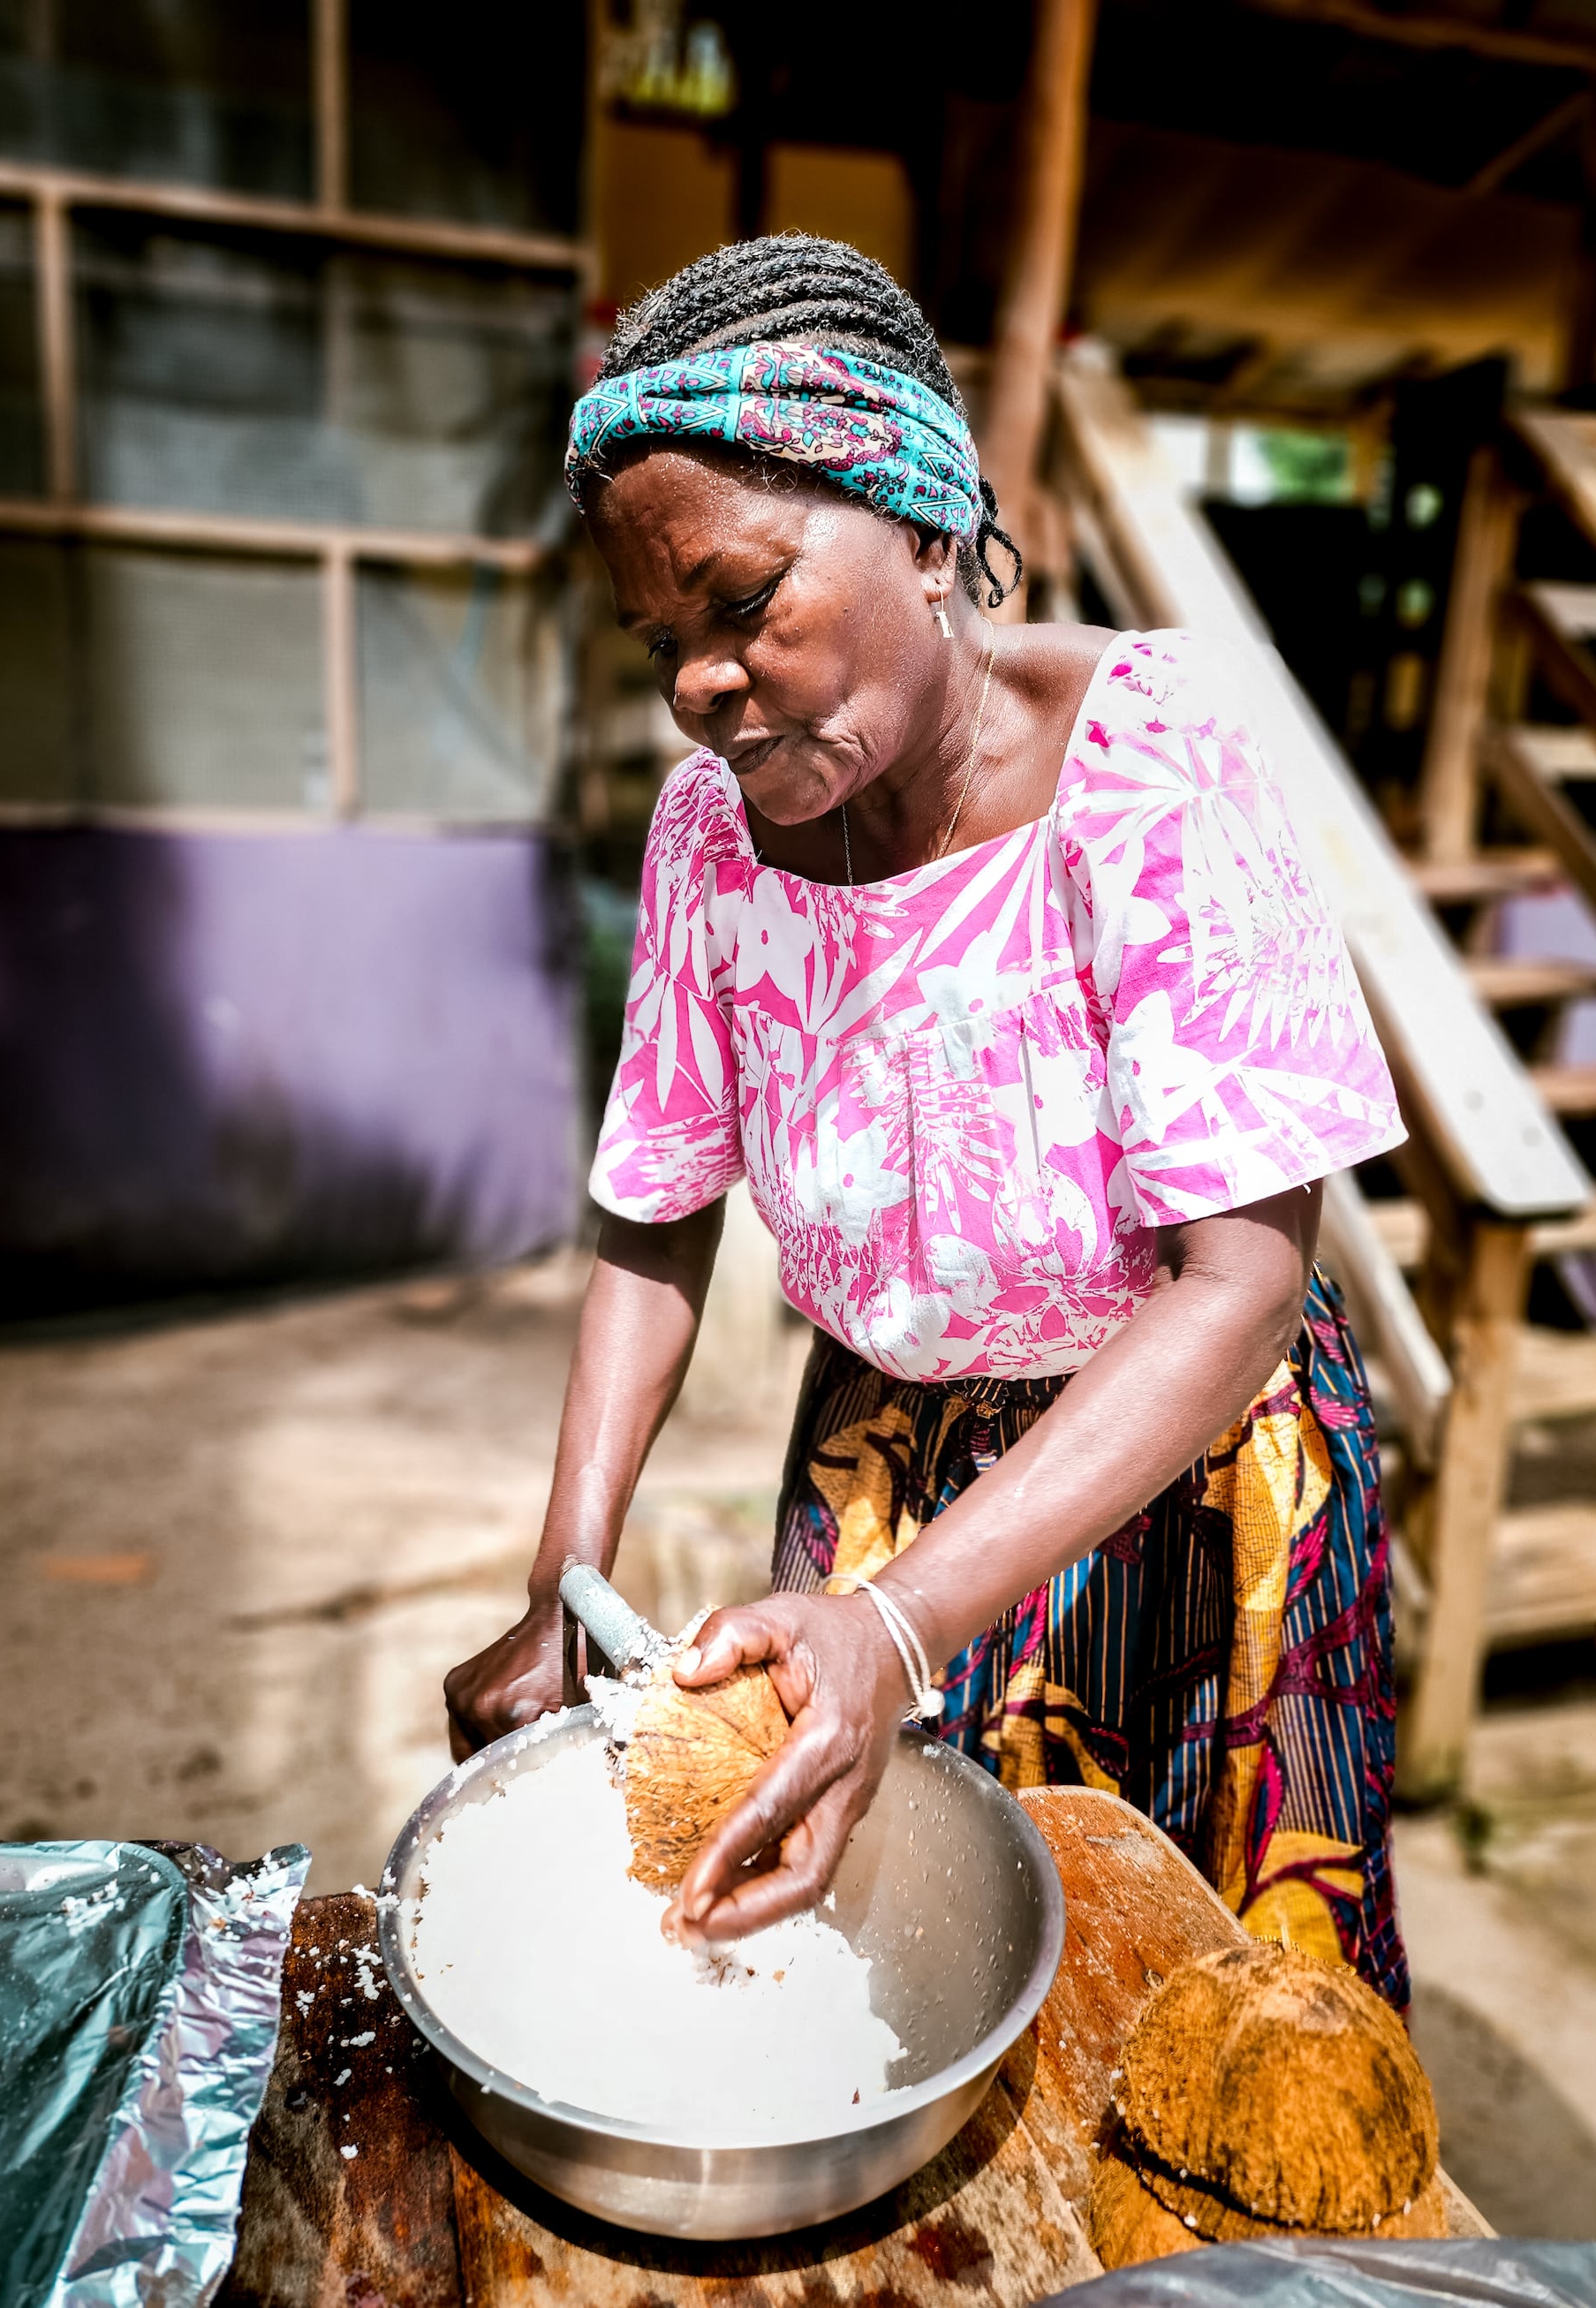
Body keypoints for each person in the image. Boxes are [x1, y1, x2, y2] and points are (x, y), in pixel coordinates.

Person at [445, 235, 1412, 2011]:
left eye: (742, 598)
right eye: (662, 638)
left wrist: (902, 1625)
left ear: (926, 526)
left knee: (1185, 2026)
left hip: (1185, 1487)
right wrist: (563, 1573)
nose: (700, 681)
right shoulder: (709, 835)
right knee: (858, 1989)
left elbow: (1240, 1281)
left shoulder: (1146, 759)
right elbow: (657, 1208)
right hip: (876, 1470)